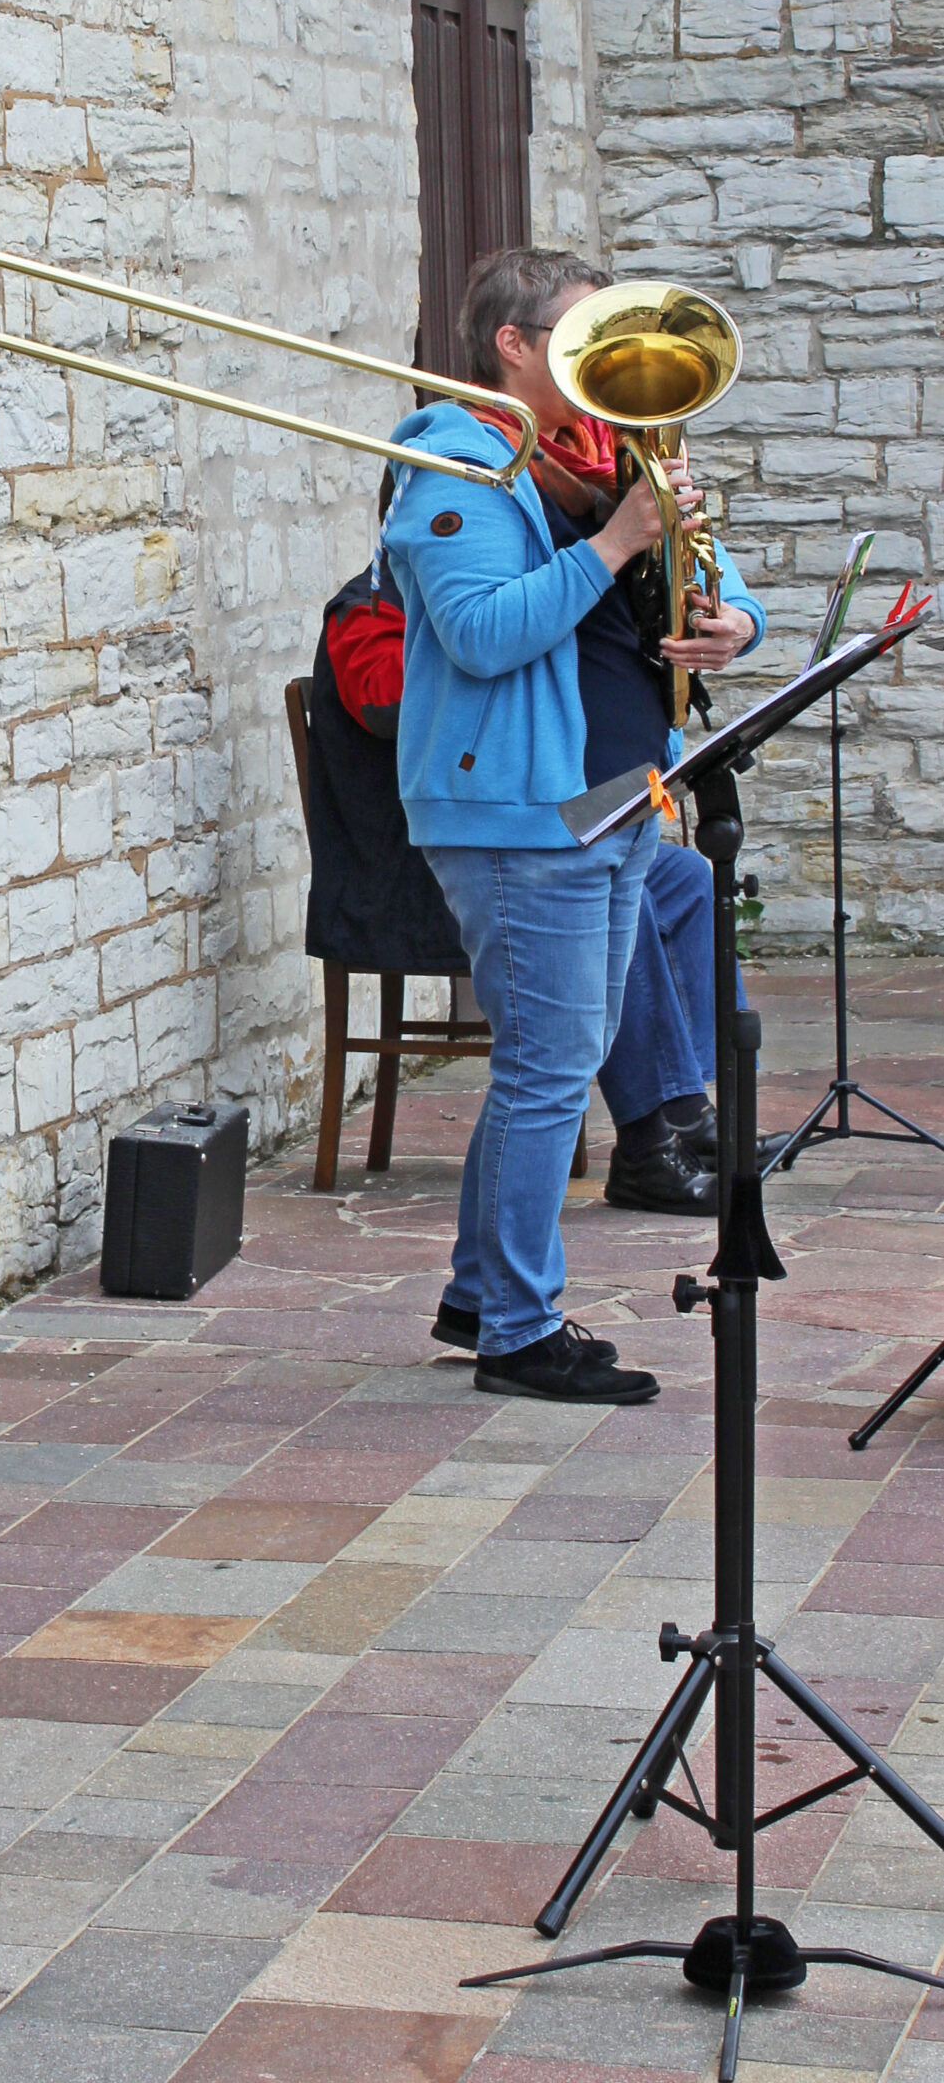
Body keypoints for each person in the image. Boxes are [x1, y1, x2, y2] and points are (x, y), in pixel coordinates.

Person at [380, 247, 766, 1406]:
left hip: (615, 796)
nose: (609, 358)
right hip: (516, 812)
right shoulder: (450, 465)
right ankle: (517, 1327)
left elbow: (728, 587)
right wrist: (615, 544)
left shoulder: (615, 453)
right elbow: (484, 632)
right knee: (547, 1074)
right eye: (578, 333)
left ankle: (479, 1287)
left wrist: (727, 624)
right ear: (511, 344)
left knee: (559, 1064)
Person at [308, 537, 773, 1227]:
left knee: (681, 877)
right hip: (419, 869)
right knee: (617, 882)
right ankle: (649, 1142)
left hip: (511, 834)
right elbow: (385, 705)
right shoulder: (369, 608)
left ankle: (692, 1111)